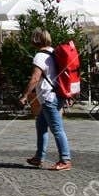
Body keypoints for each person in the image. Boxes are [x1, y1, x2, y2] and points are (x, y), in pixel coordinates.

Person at [20, 28, 71, 170]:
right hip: (56, 95)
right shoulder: (53, 52)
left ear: (35, 40)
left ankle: (65, 160)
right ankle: (38, 157)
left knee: (57, 129)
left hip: (49, 98)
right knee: (41, 126)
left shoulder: (40, 56)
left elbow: (35, 78)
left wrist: (25, 95)